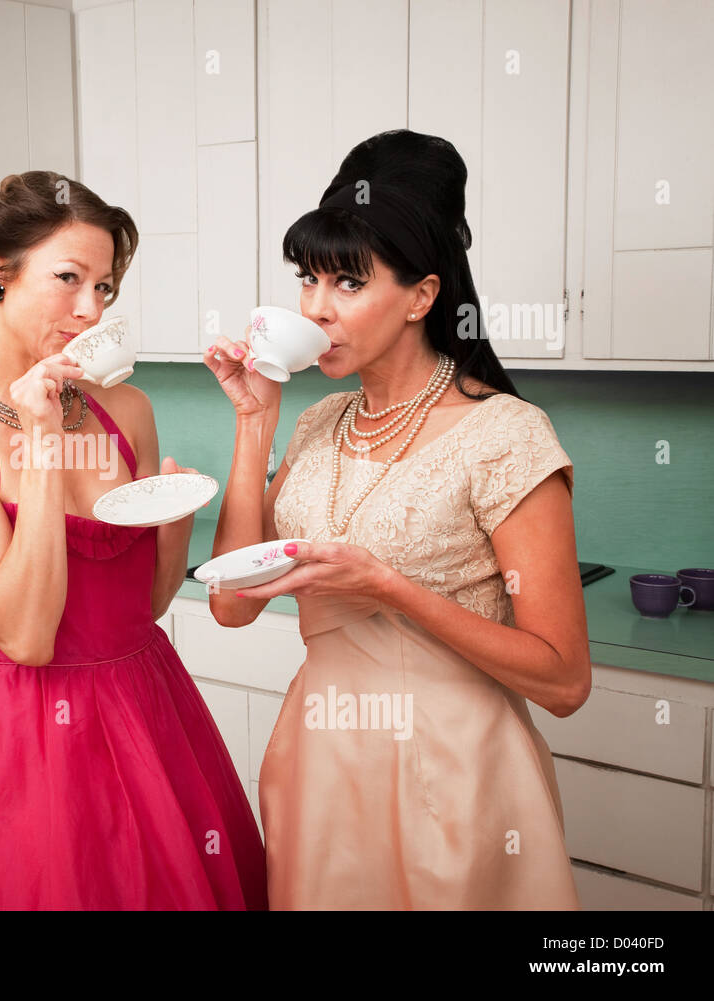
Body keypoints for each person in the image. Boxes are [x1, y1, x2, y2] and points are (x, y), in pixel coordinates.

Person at [204, 131, 590, 909]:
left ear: (422, 296)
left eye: (348, 283)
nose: (316, 308)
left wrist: (388, 585)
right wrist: (254, 426)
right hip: (323, 762)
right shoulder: (316, 425)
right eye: (308, 280)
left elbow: (564, 679)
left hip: (456, 770)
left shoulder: (506, 434)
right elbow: (230, 604)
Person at [0, 170, 267, 909]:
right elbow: (29, 636)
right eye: (69, 278)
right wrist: (36, 441)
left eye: (104, 287)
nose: (90, 309)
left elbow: (150, 603)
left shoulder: (124, 409)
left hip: (154, 709)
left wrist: (177, 522)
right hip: (37, 741)